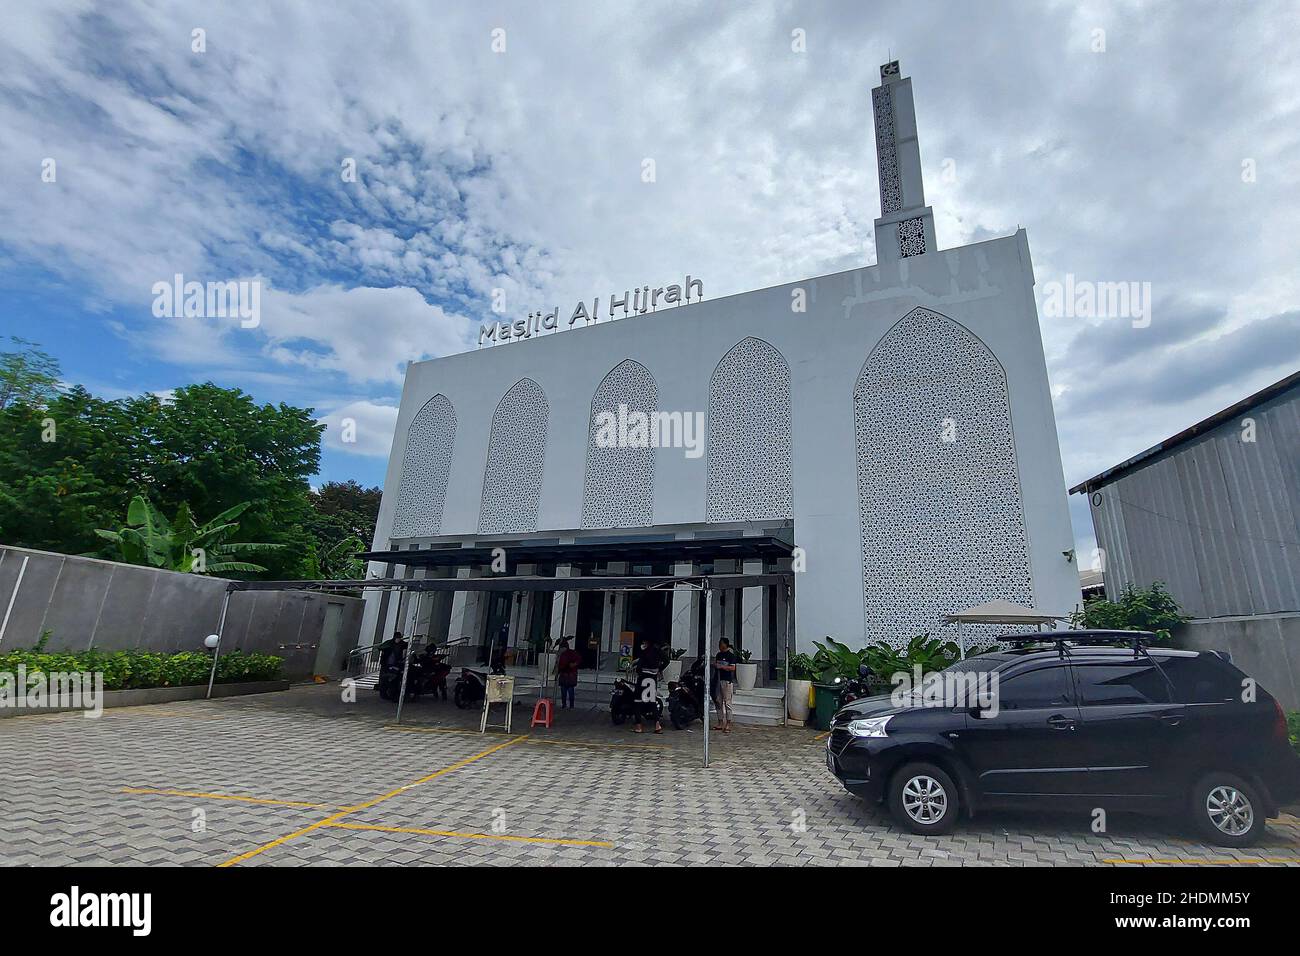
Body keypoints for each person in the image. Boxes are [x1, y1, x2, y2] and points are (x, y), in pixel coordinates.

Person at [632, 639, 664, 734]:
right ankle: (657, 725)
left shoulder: (645, 652)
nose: (642, 644)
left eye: (644, 643)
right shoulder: (658, 651)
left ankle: (639, 726)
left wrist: (638, 671)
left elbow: (639, 666)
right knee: (652, 702)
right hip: (652, 679)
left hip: (643, 679)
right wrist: (659, 669)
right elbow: (667, 660)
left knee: (637, 702)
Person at [713, 637, 738, 733]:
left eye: (721, 644)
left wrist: (722, 667)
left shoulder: (731, 656)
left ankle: (728, 723)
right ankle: (720, 721)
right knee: (718, 701)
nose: (720, 646)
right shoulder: (719, 655)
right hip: (718, 680)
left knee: (727, 702)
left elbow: (732, 668)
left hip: (727, 680)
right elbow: (716, 664)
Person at [555, 638, 582, 709]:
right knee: (565, 691)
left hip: (569, 674)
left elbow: (578, 659)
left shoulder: (570, 653)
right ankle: (566, 705)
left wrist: (574, 664)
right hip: (566, 674)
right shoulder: (562, 654)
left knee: (569, 690)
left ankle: (569, 705)